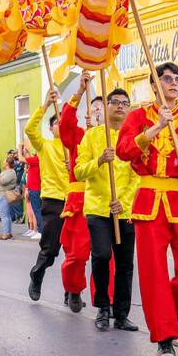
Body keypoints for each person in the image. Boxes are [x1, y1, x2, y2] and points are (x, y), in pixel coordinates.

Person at [116, 62, 178, 356]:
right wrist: (156, 127)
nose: (173, 83)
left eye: (177, 79)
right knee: (153, 273)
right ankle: (165, 338)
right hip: (148, 203)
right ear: (154, 85)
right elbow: (124, 150)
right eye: (166, 79)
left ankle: (171, 312)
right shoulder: (138, 117)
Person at [75, 86, 141, 332]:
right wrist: (99, 160)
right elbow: (79, 171)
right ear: (107, 107)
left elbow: (138, 176)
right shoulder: (92, 136)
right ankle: (103, 307)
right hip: (97, 208)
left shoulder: (134, 138)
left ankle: (122, 314)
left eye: (125, 103)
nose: (120, 106)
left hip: (124, 210)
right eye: (115, 102)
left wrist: (124, 201)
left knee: (125, 264)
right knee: (101, 256)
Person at [26, 91, 81, 311]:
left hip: (75, 200)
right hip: (54, 200)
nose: (61, 125)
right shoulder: (45, 146)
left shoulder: (75, 146)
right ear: (51, 128)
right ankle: (37, 275)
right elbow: (30, 129)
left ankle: (73, 291)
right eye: (57, 122)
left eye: (63, 122)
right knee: (50, 249)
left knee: (76, 252)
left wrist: (75, 167)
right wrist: (46, 104)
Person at [58, 77, 101, 312]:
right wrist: (80, 91)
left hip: (108, 201)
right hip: (81, 201)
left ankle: (105, 300)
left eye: (102, 108)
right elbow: (65, 125)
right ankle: (73, 289)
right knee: (77, 253)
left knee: (107, 257)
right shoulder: (80, 136)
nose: (98, 111)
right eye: (94, 107)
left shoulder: (118, 137)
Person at [23, 140, 43, 239]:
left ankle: (40, 231)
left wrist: (19, 148)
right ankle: (37, 230)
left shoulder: (37, 160)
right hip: (34, 188)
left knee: (37, 211)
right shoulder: (36, 160)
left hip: (35, 189)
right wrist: (27, 150)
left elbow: (21, 158)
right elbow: (28, 157)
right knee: (36, 211)